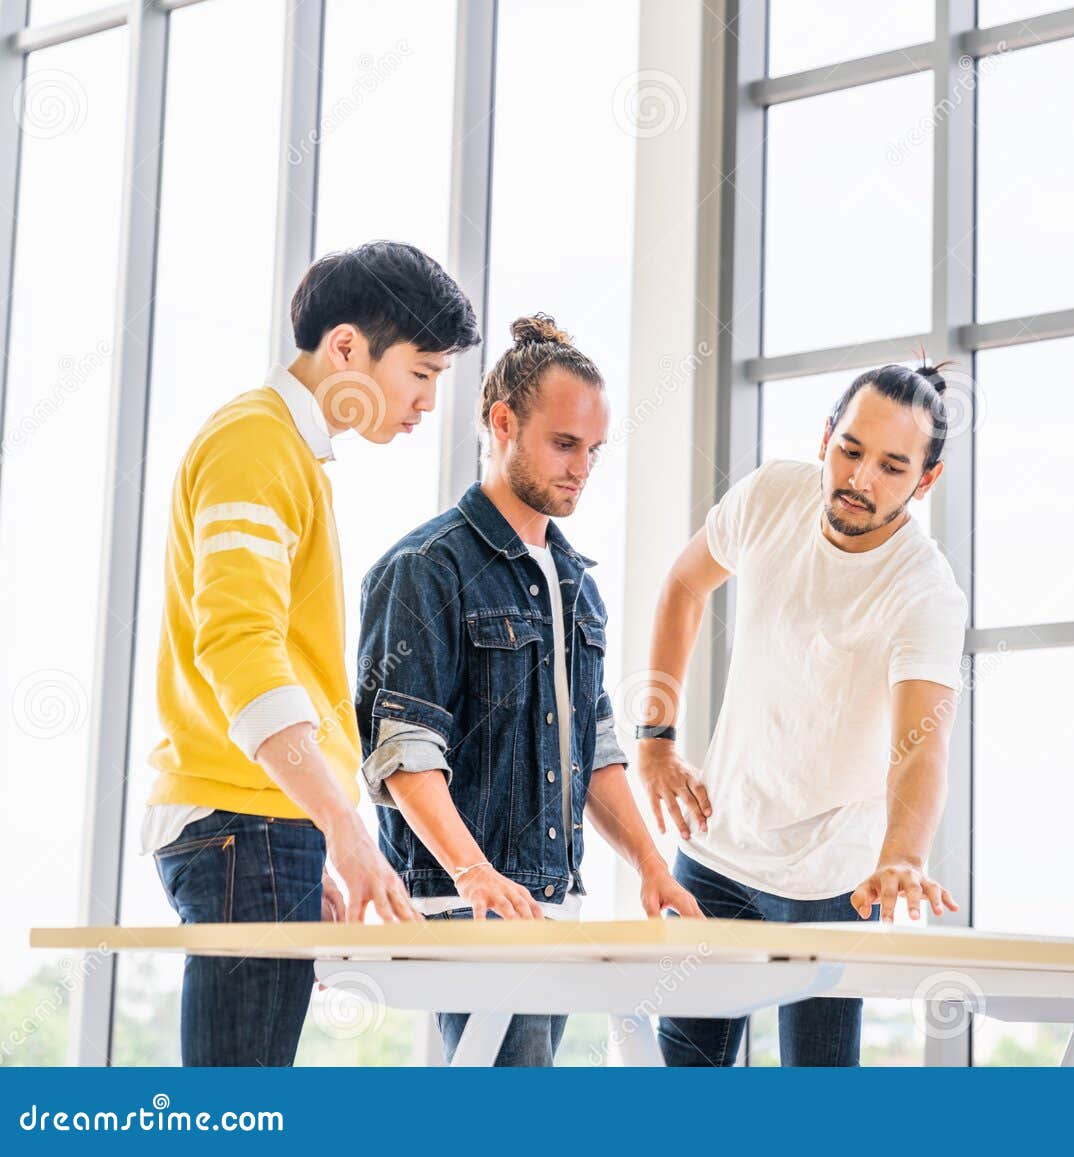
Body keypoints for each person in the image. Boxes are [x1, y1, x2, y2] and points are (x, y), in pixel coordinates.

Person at [145, 241, 480, 1066]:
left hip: (259, 823)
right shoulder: (255, 446)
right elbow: (240, 646)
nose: (428, 401)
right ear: (346, 347)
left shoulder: (283, 451)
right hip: (244, 820)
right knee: (240, 1116)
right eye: (422, 372)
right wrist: (339, 825)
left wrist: (306, 829)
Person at [356, 314, 703, 1067]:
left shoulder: (576, 582)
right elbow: (404, 754)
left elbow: (593, 749)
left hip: (552, 902)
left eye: (594, 450)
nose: (582, 468)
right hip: (465, 904)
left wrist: (650, 863)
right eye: (565, 444)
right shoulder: (425, 568)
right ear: (503, 423)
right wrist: (474, 873)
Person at [638, 362, 970, 1066]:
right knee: (681, 1081)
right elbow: (684, 584)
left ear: (926, 480)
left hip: (831, 880)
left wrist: (903, 857)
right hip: (716, 850)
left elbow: (922, 745)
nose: (860, 479)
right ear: (826, 437)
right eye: (850, 450)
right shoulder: (772, 495)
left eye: (892, 467)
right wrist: (656, 740)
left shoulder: (924, 591)